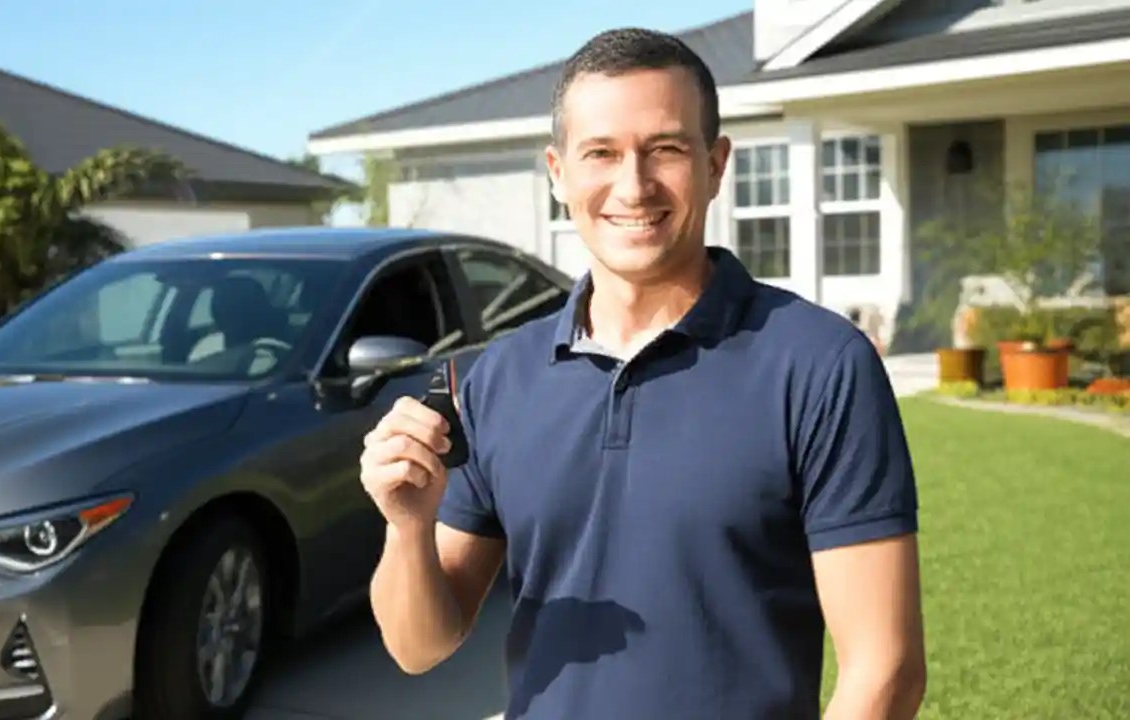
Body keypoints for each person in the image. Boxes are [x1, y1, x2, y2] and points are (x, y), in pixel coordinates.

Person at [358, 27, 926, 720]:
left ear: (716, 165)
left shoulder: (819, 363)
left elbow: (885, 671)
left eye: (666, 149)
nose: (634, 185)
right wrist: (408, 526)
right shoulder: (498, 379)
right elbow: (420, 646)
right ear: (558, 172)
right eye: (601, 153)